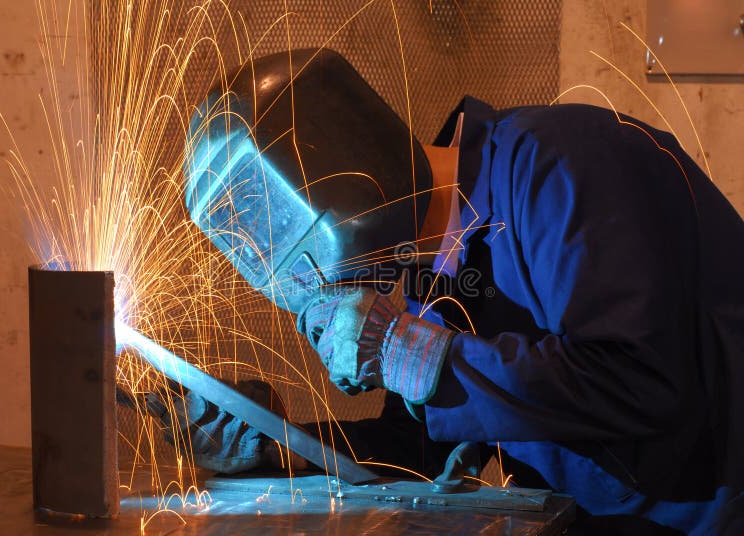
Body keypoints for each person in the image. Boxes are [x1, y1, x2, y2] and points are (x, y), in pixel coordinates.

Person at [177, 49, 744, 534]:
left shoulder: (561, 167)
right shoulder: (430, 273)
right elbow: (419, 455)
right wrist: (278, 446)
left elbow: (642, 379)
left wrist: (412, 355)